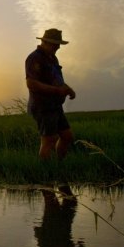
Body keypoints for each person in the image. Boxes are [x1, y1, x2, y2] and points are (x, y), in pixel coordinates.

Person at [25, 28, 76, 160]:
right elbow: (31, 83)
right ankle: (45, 174)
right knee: (49, 140)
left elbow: (58, 81)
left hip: (55, 106)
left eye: (59, 44)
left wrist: (68, 89)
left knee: (67, 136)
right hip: (43, 106)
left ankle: (59, 165)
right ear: (45, 42)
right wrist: (57, 91)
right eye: (55, 44)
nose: (58, 47)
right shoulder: (34, 58)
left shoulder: (53, 58)